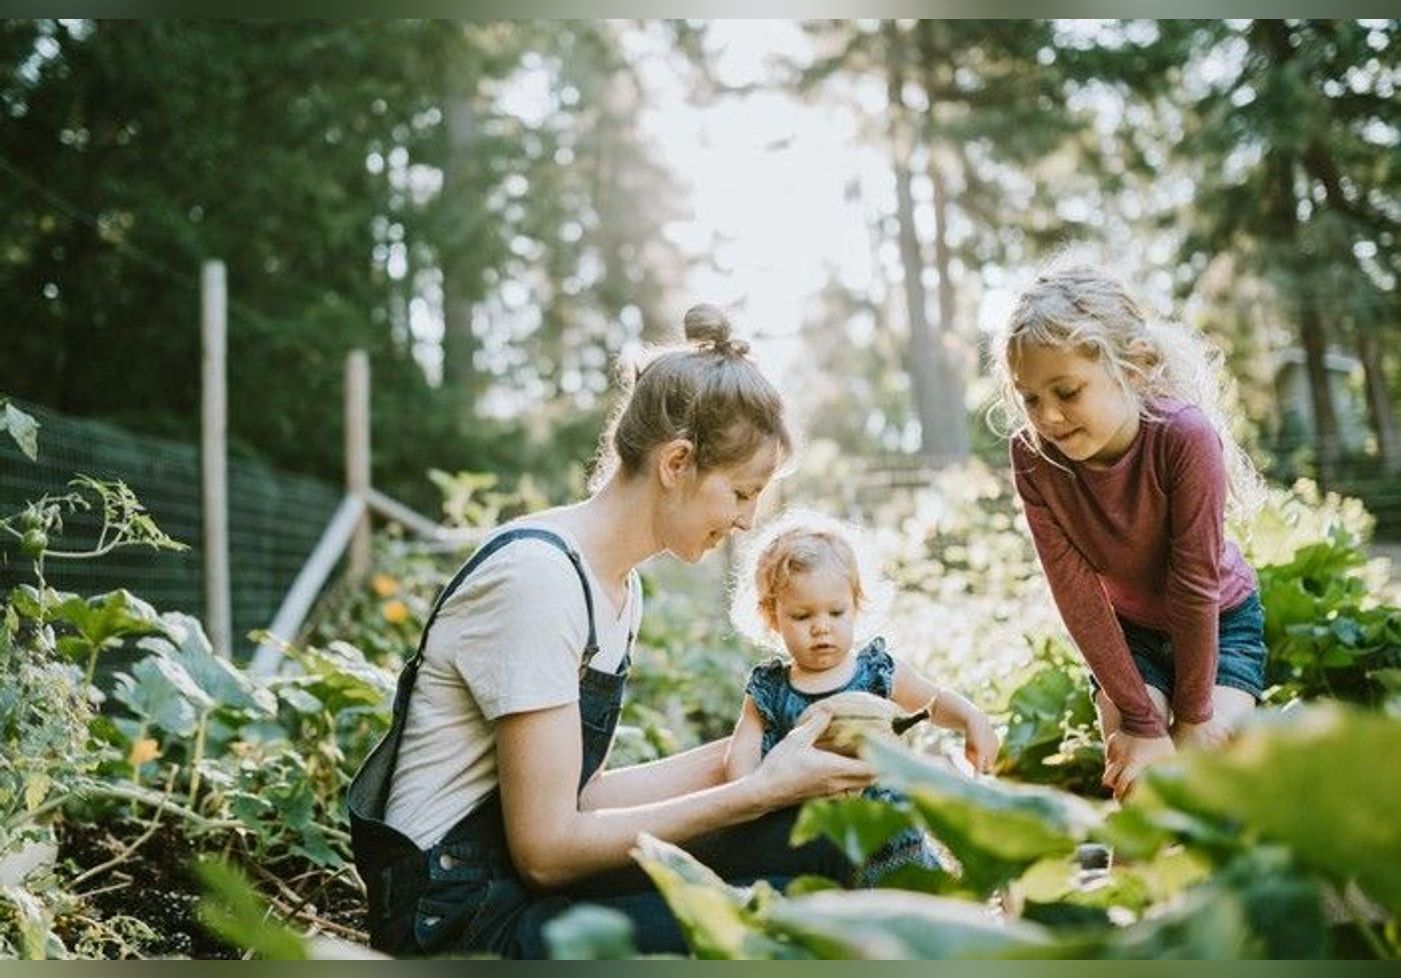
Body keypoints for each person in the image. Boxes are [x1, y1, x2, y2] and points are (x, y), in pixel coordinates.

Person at [347, 304, 875, 959]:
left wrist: (759, 750)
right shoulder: (538, 580)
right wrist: (756, 791)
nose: (746, 523)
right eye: (741, 493)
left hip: (515, 885)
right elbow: (545, 849)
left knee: (832, 836)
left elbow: (578, 795)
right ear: (676, 462)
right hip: (458, 924)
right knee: (789, 919)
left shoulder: (614, 585)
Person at [991, 260, 1268, 801]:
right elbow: (1075, 595)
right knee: (1141, 785)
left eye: (1067, 391)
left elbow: (1194, 587)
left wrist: (1191, 717)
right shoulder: (1033, 456)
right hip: (1127, 637)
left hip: (1220, 621)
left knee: (1202, 785)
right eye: (1030, 399)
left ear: (1134, 368)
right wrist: (1141, 723)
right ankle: (1129, 885)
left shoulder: (1184, 439)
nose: (1047, 416)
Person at [724, 510, 1000, 881]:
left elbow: (932, 700)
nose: (821, 627)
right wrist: (749, 797)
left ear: (856, 605)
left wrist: (970, 718)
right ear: (772, 617)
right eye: (802, 616)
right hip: (815, 844)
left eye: (836, 612)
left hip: (891, 837)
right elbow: (741, 760)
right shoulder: (769, 690)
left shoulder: (876, 673)